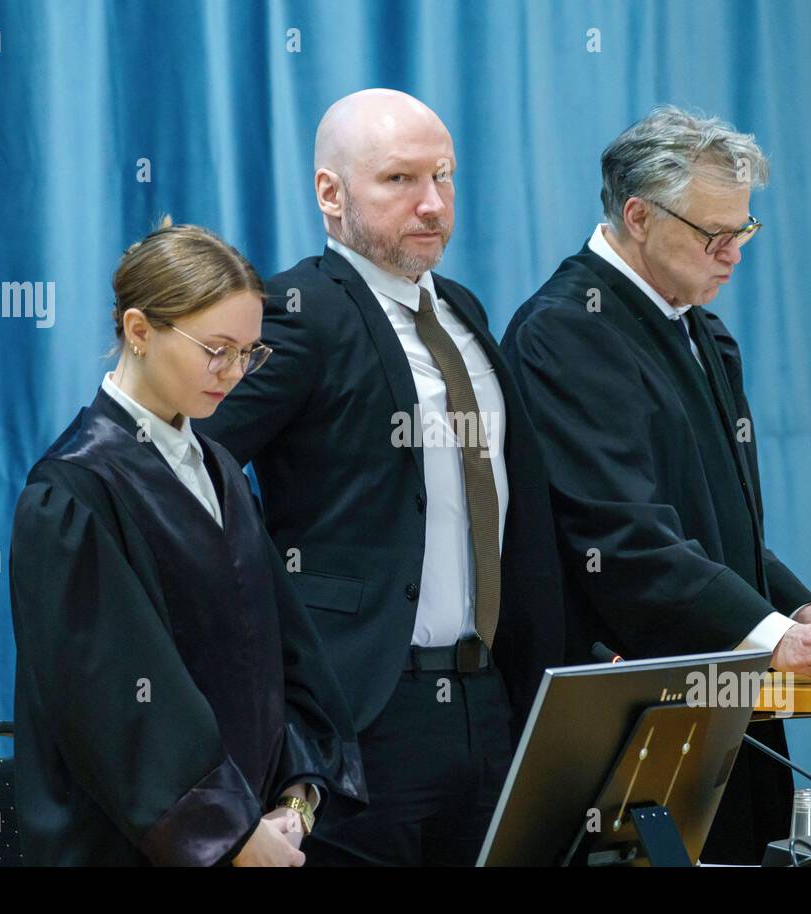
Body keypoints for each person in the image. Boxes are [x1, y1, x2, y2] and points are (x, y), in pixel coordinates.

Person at [200, 89, 564, 866]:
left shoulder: (463, 311)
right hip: (366, 710)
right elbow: (189, 471)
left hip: (487, 700)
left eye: (445, 176)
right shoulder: (299, 311)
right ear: (331, 194)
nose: (432, 204)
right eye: (400, 180)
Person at [501, 106, 811, 864]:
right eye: (714, 235)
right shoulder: (566, 331)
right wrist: (774, 637)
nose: (734, 253)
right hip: (637, 713)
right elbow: (624, 539)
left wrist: (797, 608)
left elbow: (723, 529)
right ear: (638, 215)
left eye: (744, 231)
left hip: (728, 691)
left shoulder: (702, 327)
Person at [9, 218, 364, 866]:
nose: (232, 373)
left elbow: (282, 651)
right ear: (140, 330)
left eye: (250, 354)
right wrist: (231, 834)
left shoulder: (219, 469)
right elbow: (118, 707)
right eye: (216, 349)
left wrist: (295, 793)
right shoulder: (75, 493)